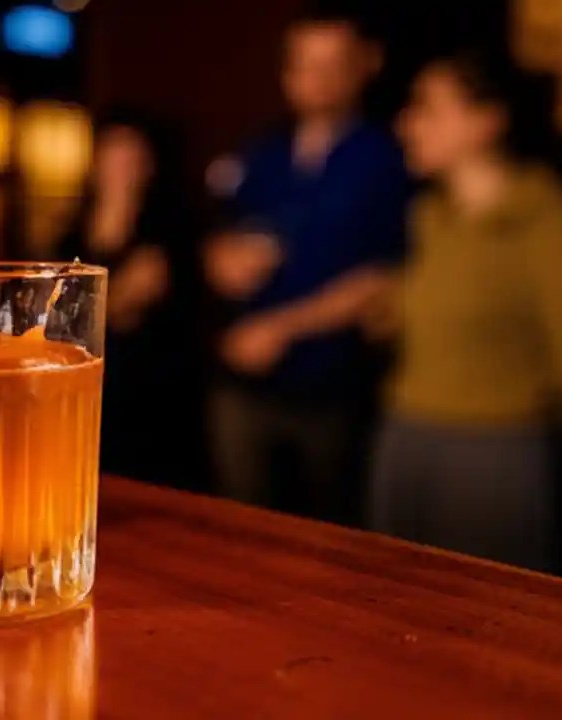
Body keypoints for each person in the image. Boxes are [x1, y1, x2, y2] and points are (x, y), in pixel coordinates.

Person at [370, 50, 562, 570]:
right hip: (407, 433)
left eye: (427, 107)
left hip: (494, 450)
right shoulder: (431, 215)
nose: (407, 123)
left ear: (487, 121)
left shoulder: (550, 222)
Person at [204, 9, 410, 523]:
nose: (315, 79)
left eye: (331, 64)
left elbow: (386, 275)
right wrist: (222, 258)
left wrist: (280, 328)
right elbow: (223, 234)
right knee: (241, 529)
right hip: (243, 381)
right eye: (303, 65)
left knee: (332, 537)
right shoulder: (263, 152)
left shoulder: (388, 159)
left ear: (367, 63)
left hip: (333, 388)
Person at [56, 113, 204, 486]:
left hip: (154, 394)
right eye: (113, 155)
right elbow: (54, 322)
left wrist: (107, 307)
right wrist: (117, 301)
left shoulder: (170, 232)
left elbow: (179, 309)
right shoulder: (68, 237)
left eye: (132, 158)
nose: (122, 168)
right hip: (89, 392)